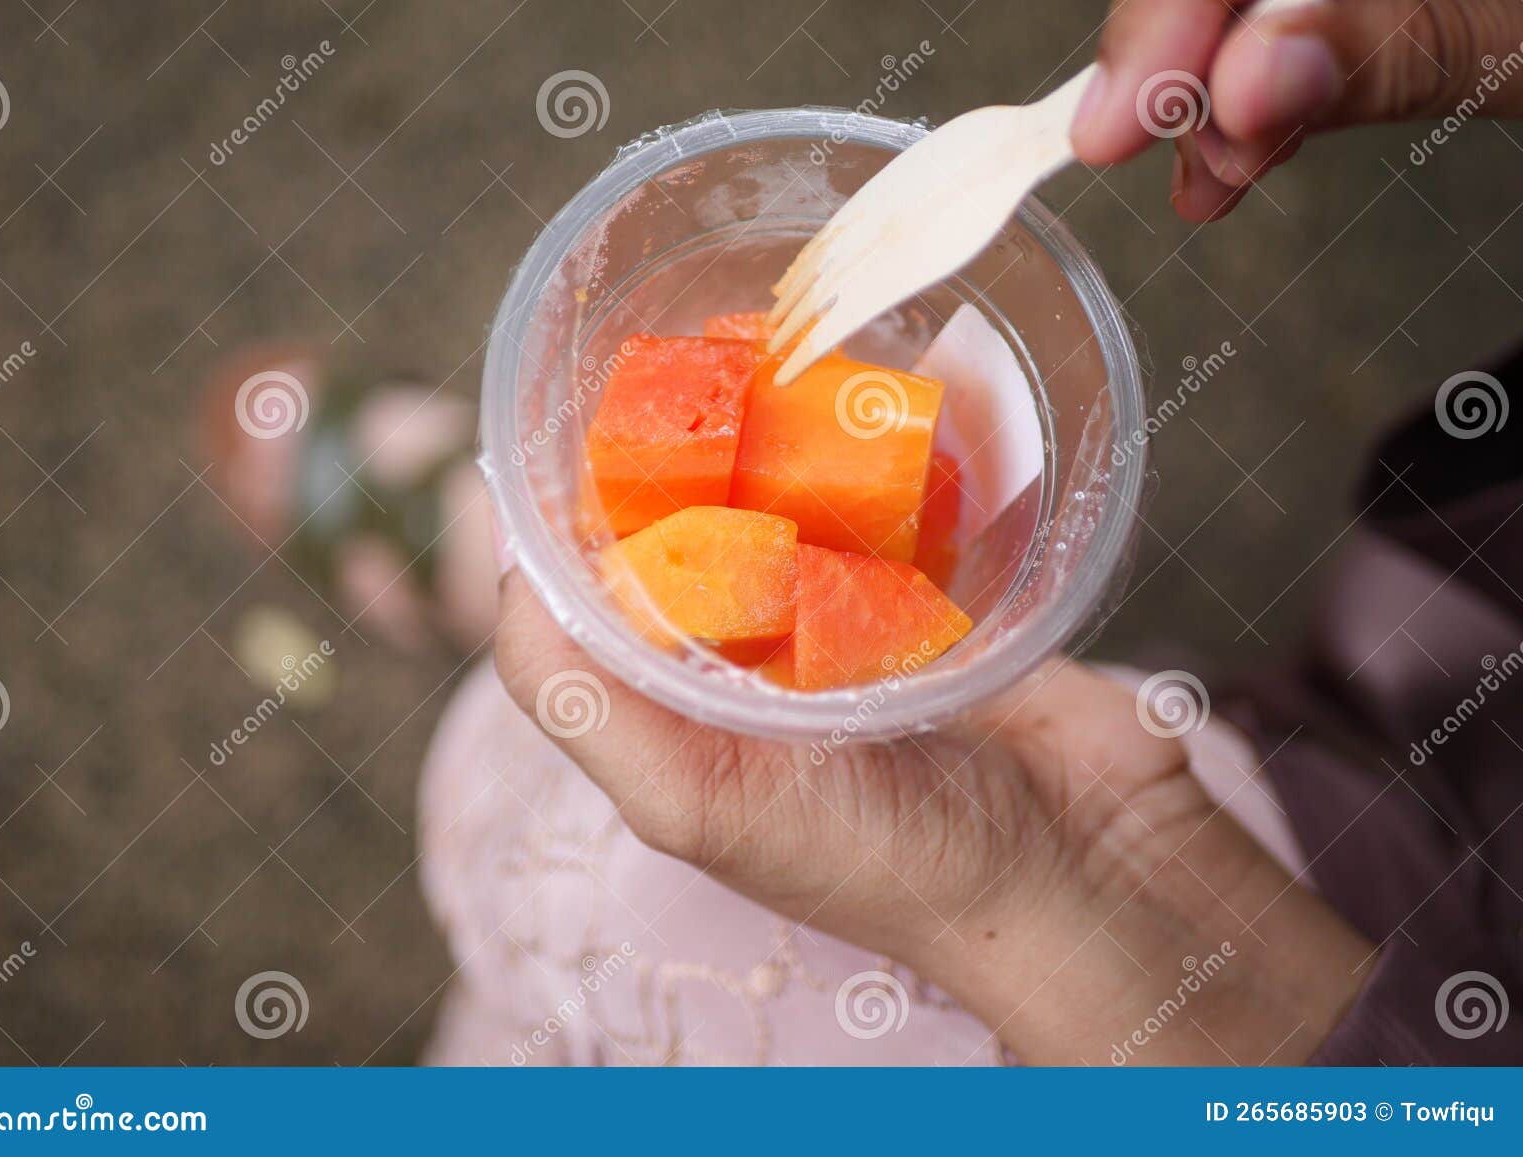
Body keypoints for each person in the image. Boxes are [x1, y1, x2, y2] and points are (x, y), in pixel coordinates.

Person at [214, 0, 1523, 1064]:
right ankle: (528, 534)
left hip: (1355, 997)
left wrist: (1024, 887)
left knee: (611, 905)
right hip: (1436, 719)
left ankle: (494, 536)